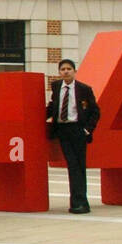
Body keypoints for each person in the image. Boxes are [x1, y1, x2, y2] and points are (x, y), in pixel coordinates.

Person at [45, 58, 101, 213]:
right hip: (62, 130)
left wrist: (87, 130)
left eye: (69, 69)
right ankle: (77, 201)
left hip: (77, 130)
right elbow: (52, 106)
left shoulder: (84, 89)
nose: (66, 71)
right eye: (63, 69)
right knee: (72, 166)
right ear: (59, 72)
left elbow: (95, 111)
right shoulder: (56, 87)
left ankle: (81, 203)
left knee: (78, 166)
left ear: (75, 71)